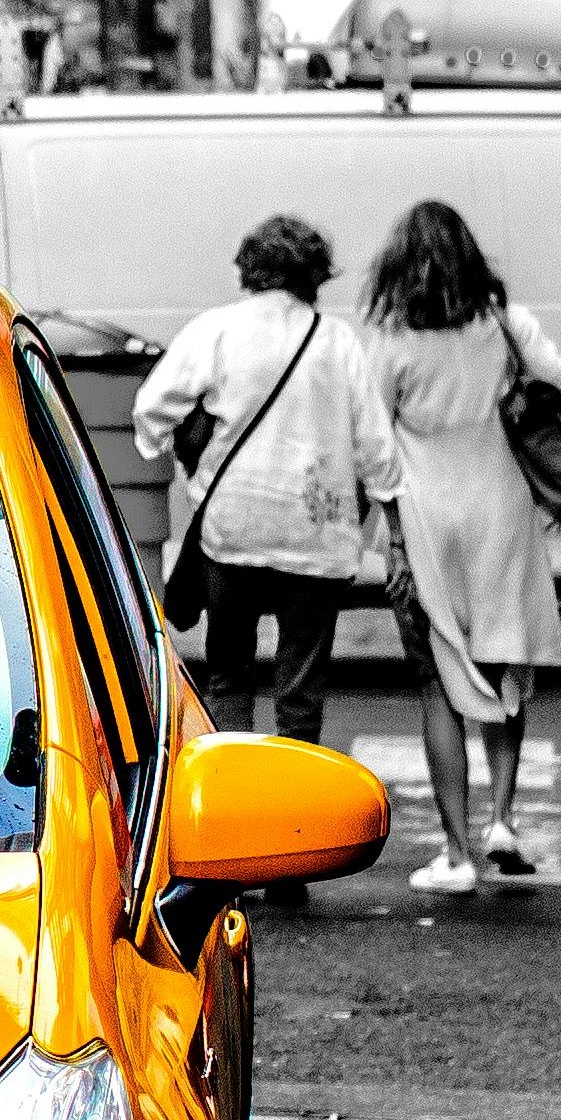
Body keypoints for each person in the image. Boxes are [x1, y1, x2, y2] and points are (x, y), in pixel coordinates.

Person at [362, 199, 561, 895]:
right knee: (504, 659)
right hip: (501, 510)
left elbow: (373, 443)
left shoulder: (390, 339)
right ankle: (502, 822)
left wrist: (390, 538)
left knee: (438, 685)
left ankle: (457, 854)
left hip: (426, 519)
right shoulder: (505, 326)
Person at [132, 214, 401, 767]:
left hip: (234, 531)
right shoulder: (337, 342)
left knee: (229, 674)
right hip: (315, 533)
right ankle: (298, 813)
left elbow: (151, 409)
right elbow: (376, 446)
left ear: (250, 267)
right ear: (314, 273)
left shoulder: (217, 330)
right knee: (301, 692)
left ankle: (236, 795)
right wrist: (392, 527)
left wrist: (186, 467)